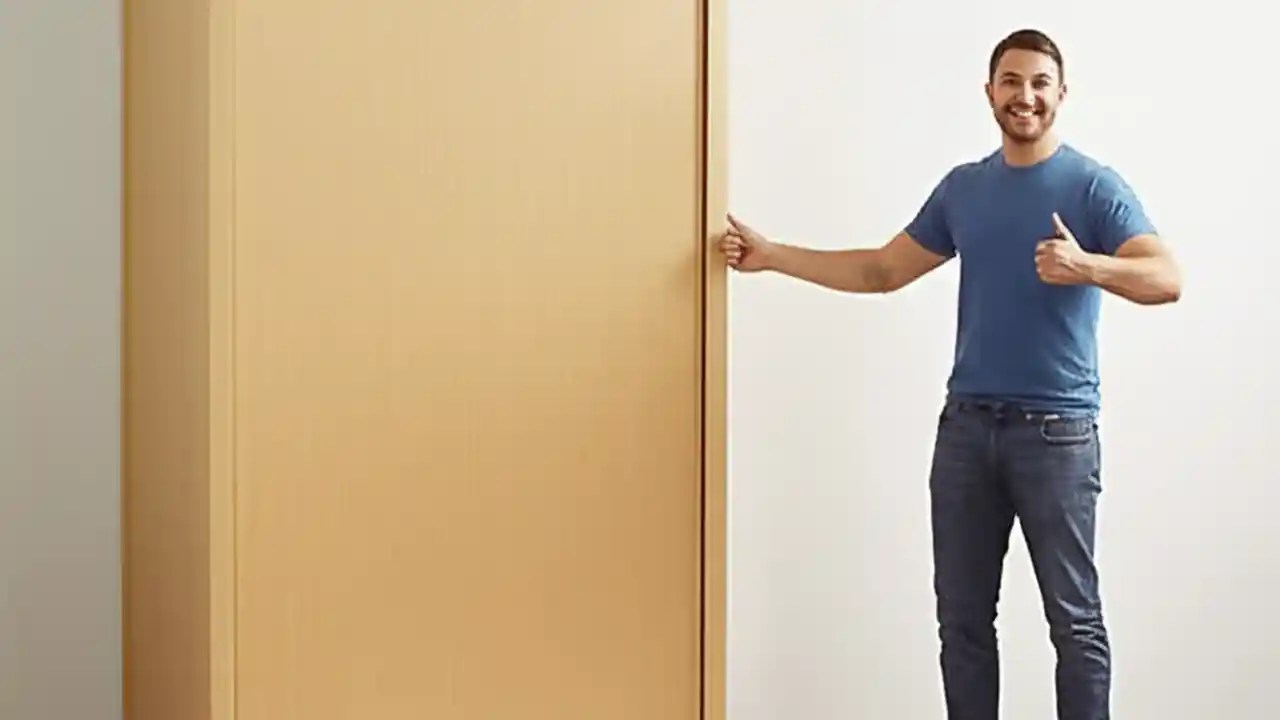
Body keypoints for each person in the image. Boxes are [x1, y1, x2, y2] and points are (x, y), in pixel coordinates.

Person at [718, 28, 1180, 720]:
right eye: (1011, 82)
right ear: (990, 92)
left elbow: (1166, 278)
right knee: (962, 626)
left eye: (1039, 84)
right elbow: (881, 270)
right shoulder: (965, 190)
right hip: (966, 433)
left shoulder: (1092, 187)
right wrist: (772, 255)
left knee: (1075, 624)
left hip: (1057, 436)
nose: (1025, 96)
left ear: (1061, 94)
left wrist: (1088, 266)